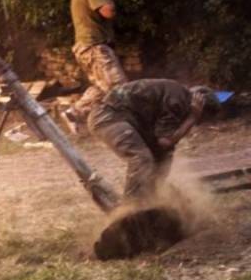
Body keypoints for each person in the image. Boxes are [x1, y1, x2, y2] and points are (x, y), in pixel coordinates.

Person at [88, 79, 220, 201]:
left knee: (163, 159)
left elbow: (164, 146)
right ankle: (131, 209)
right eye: (202, 119)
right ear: (199, 105)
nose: (198, 123)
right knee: (142, 159)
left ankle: (155, 201)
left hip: (123, 118)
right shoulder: (179, 99)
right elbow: (165, 141)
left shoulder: (179, 96)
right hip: (107, 116)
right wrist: (192, 117)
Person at [66, 0, 128, 132]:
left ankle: (74, 113)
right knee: (119, 87)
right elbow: (109, 12)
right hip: (94, 47)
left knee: (101, 88)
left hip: (86, 47)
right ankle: (127, 124)